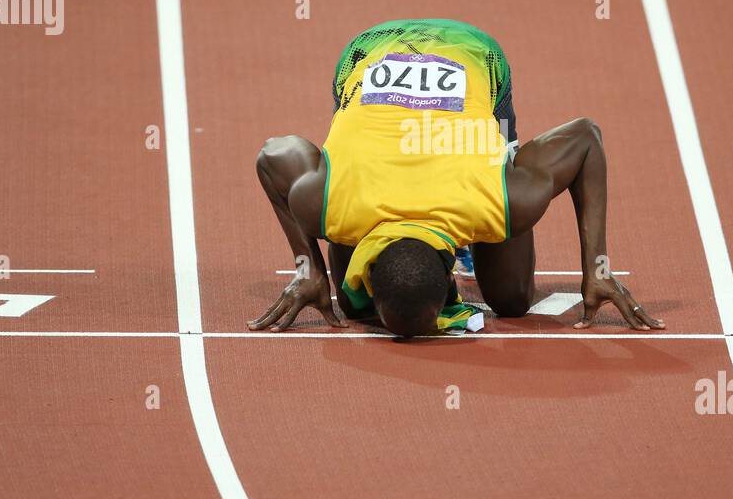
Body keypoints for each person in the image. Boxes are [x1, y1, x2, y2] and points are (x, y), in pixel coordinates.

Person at [250, 19, 662, 337]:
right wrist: (308, 268)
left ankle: (500, 158)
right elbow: (272, 154)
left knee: (513, 299)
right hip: (368, 56)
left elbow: (586, 136)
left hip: (470, 55)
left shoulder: (501, 201)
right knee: (363, 301)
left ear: (449, 279)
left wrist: (599, 269)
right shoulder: (324, 204)